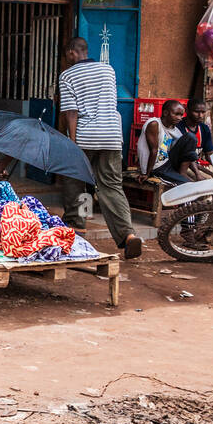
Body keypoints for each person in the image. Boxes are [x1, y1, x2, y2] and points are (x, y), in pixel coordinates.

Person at [58, 37, 143, 259]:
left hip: (86, 136)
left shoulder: (67, 75)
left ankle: (77, 230)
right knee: (111, 186)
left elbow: (71, 112)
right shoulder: (108, 70)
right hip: (111, 136)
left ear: (71, 52)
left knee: (75, 181)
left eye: (66, 54)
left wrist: (74, 144)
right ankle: (128, 236)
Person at [138, 99, 190, 183]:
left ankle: (182, 173)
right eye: (176, 114)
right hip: (156, 167)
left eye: (181, 115)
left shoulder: (176, 131)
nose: (180, 118)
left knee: (190, 137)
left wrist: (198, 172)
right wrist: (147, 174)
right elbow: (153, 150)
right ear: (165, 113)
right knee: (185, 184)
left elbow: (186, 153)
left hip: (168, 163)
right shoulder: (154, 124)